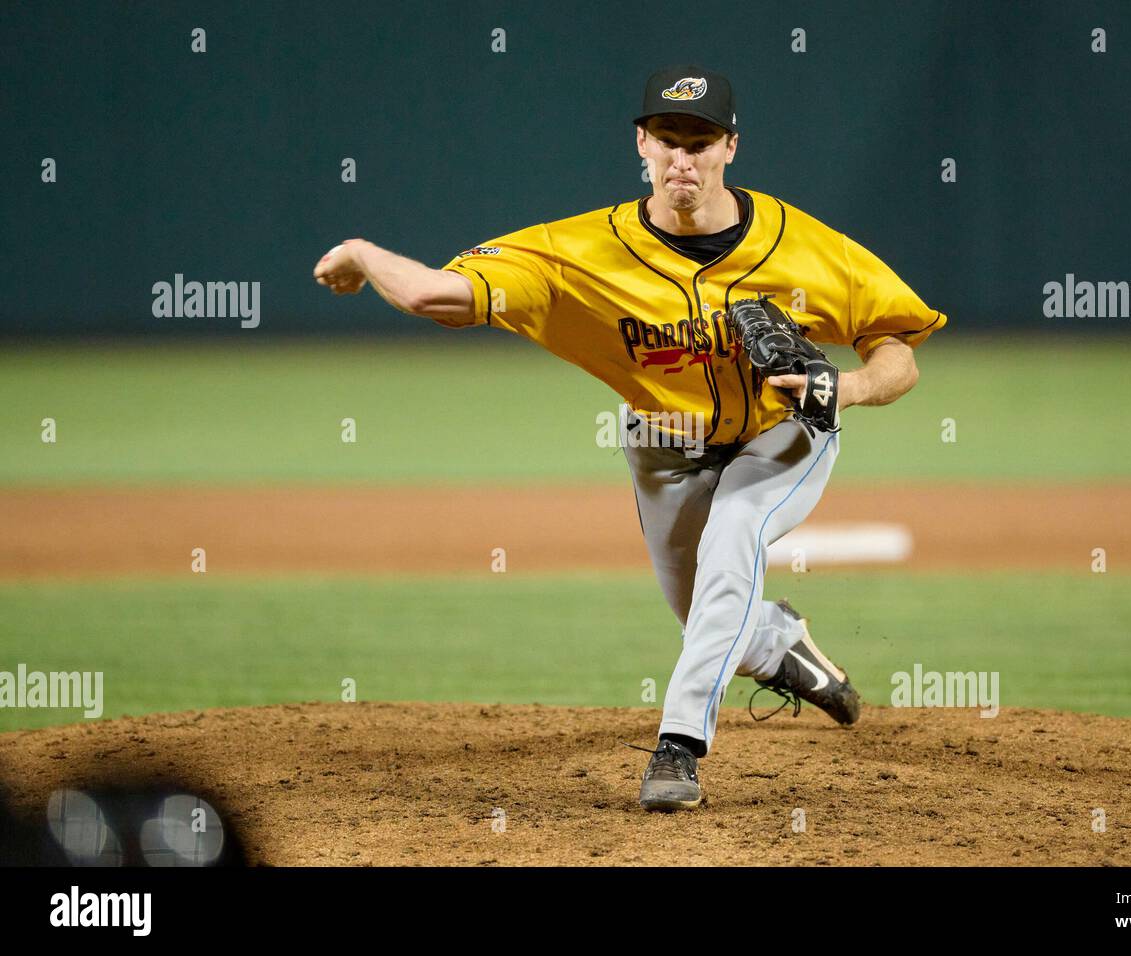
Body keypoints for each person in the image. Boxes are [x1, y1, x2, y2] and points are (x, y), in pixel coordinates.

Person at [313, 64, 947, 811]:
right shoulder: (578, 252)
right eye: (669, 139)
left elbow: (900, 349)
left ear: (731, 148)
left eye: (701, 141)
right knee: (713, 613)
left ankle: (678, 748)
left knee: (733, 538)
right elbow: (429, 294)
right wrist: (361, 251)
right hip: (663, 450)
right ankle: (779, 647)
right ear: (641, 144)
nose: (684, 157)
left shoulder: (805, 246)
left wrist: (845, 387)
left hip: (780, 439)